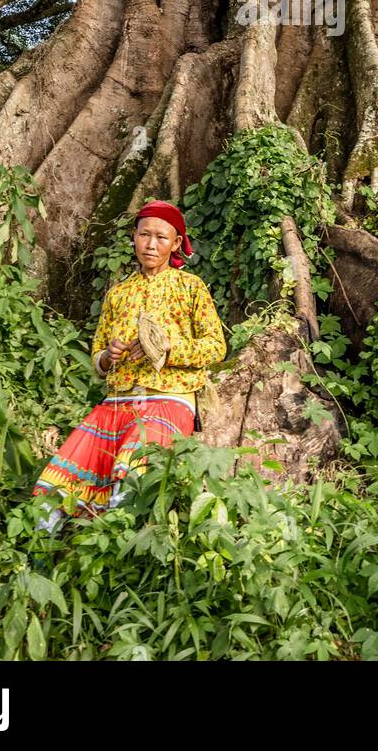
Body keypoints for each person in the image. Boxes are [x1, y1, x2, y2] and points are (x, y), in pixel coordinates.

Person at [33, 200, 226, 532]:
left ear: (176, 243)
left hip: (169, 399)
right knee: (56, 486)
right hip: (117, 402)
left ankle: (115, 549)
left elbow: (216, 347)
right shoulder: (118, 294)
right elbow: (97, 357)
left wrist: (168, 347)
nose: (151, 244)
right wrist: (108, 357)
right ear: (134, 237)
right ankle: (39, 552)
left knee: (130, 470)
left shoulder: (191, 288)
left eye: (162, 238)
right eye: (144, 235)